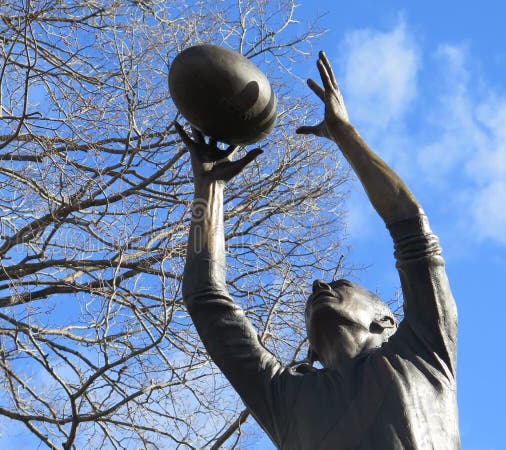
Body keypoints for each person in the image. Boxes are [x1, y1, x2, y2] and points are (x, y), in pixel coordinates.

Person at [177, 51, 458, 449]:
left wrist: (345, 134)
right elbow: (206, 299)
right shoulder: (285, 397)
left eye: (341, 282)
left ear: (387, 321)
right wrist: (210, 188)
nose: (316, 284)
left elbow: (409, 225)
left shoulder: (424, 351)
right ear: (309, 348)